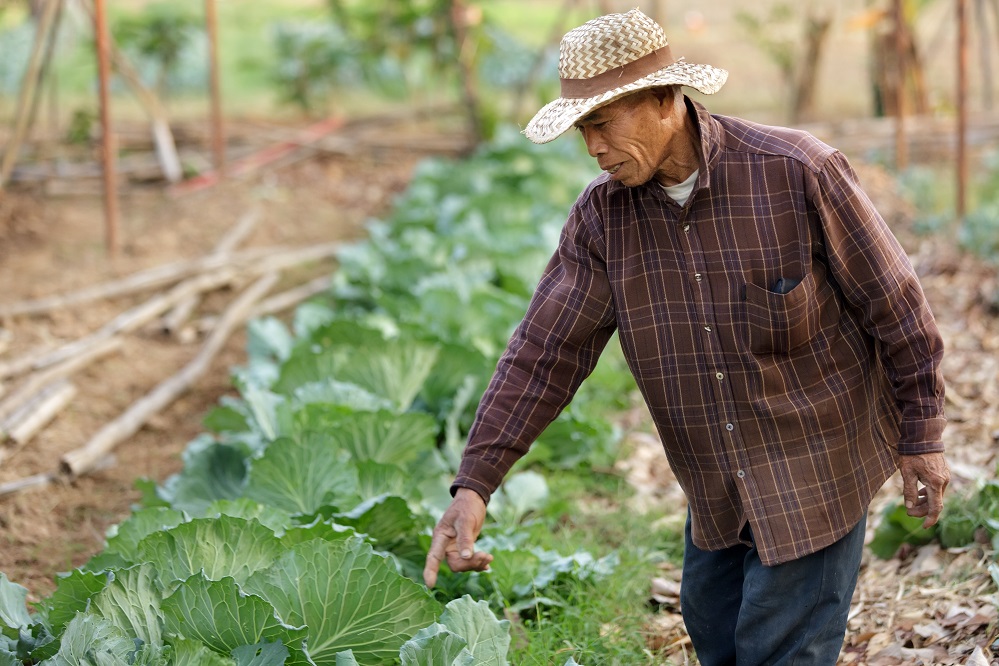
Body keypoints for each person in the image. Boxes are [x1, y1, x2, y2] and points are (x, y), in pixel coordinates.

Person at [423, 8, 950, 665]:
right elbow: (543, 353)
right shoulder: (602, 220)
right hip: (715, 483)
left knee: (777, 648)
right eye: (581, 130)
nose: (592, 148)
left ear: (665, 100)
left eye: (600, 124)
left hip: (817, 461)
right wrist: (474, 484)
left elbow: (894, 301)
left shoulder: (795, 172)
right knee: (715, 636)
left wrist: (919, 434)